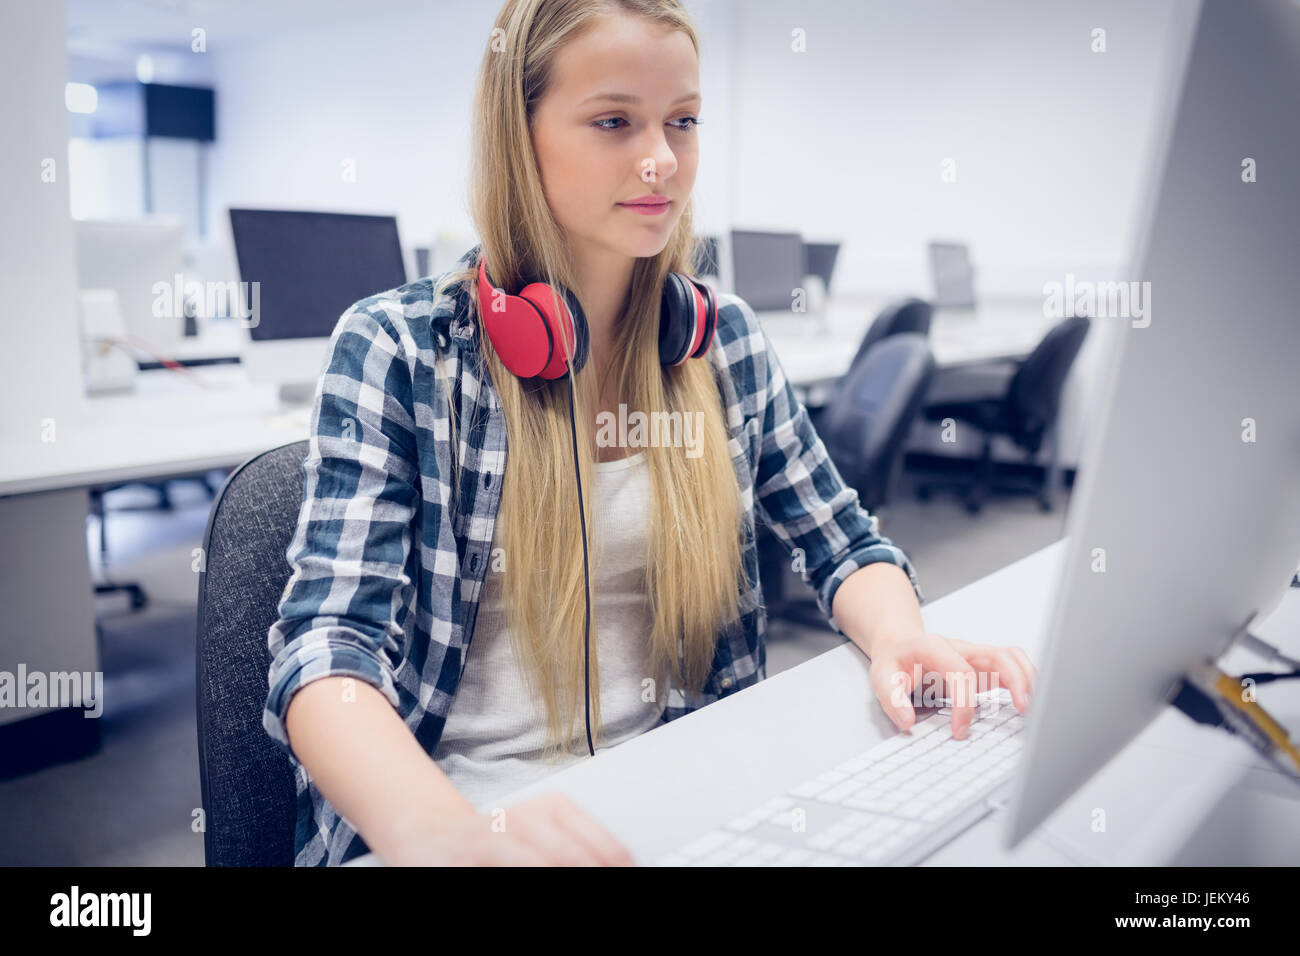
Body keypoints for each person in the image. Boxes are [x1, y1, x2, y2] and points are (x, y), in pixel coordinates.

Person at [263, 0, 1036, 867]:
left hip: (684, 798)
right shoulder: (402, 348)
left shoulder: (721, 340)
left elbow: (844, 542)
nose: (662, 160)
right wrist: (439, 832)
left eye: (683, 121)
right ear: (519, 137)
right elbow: (327, 648)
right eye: (613, 121)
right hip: (464, 823)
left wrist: (900, 636)